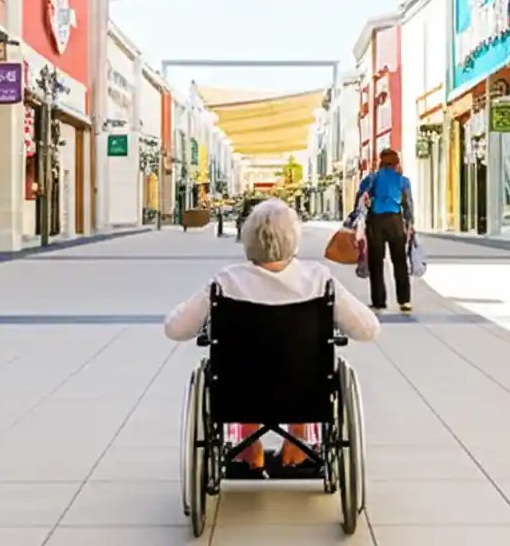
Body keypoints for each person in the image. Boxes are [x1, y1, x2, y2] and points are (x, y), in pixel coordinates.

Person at [165, 198, 380, 477]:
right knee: (306, 364)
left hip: (238, 392)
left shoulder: (226, 282)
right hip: (306, 389)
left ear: (248, 237)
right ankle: (298, 447)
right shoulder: (319, 279)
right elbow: (368, 329)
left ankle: (248, 450)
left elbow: (175, 328)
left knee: (241, 369)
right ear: (294, 238)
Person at [354, 148, 414, 312]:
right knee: (400, 261)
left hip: (376, 221)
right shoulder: (402, 181)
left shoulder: (372, 178)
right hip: (395, 222)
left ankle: (379, 300)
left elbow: (359, 196)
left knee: (376, 262)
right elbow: (407, 204)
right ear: (396, 163)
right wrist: (410, 223)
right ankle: (404, 300)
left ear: (381, 161)